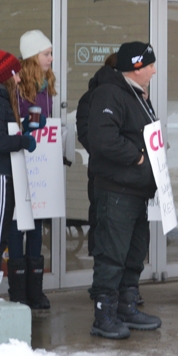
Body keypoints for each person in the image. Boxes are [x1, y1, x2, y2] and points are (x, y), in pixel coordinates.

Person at [86, 41, 162, 339]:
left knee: (133, 253)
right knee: (112, 254)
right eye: (151, 65)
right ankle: (104, 314)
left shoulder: (138, 95)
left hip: (137, 191)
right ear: (136, 68)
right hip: (116, 190)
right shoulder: (109, 93)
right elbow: (103, 138)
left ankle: (126, 307)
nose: (155, 71)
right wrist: (139, 157)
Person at [77, 53, 143, 306]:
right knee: (105, 229)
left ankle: (125, 290)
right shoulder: (99, 96)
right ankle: (105, 290)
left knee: (126, 236)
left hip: (127, 177)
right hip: (106, 174)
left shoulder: (133, 95)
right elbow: (92, 136)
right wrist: (125, 155)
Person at [0, 50, 39, 308]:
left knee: (0, 239)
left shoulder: (0, 99)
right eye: (16, 74)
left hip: (4, 175)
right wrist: (23, 140)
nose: (20, 79)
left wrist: (25, 130)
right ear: (6, 76)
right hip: (0, 176)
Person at [14, 29, 57, 310]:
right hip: (19, 161)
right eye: (46, 53)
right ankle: (18, 291)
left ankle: (36, 291)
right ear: (32, 57)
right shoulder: (16, 87)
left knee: (37, 223)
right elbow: (13, 122)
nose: (51, 59)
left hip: (40, 164)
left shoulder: (47, 87)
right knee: (19, 225)